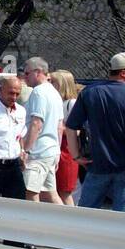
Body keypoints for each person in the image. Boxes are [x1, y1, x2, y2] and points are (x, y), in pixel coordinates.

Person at [65, 53, 125, 215]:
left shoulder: (89, 93)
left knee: (86, 215)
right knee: (123, 218)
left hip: (97, 164)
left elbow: (71, 126)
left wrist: (76, 156)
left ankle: (83, 241)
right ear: (123, 72)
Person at [22, 56, 64, 204]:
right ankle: (66, 224)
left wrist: (26, 150)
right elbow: (59, 127)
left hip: (37, 153)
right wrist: (57, 151)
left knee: (30, 192)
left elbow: (36, 123)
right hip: (50, 151)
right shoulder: (54, 93)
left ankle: (31, 224)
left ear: (38, 72)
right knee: (50, 194)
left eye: (27, 74)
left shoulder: (38, 92)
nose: (24, 77)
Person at [49, 69, 82, 206]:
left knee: (64, 191)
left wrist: (60, 128)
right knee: (54, 190)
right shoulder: (55, 101)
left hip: (66, 150)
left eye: (53, 82)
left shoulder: (71, 103)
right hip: (56, 147)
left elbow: (78, 130)